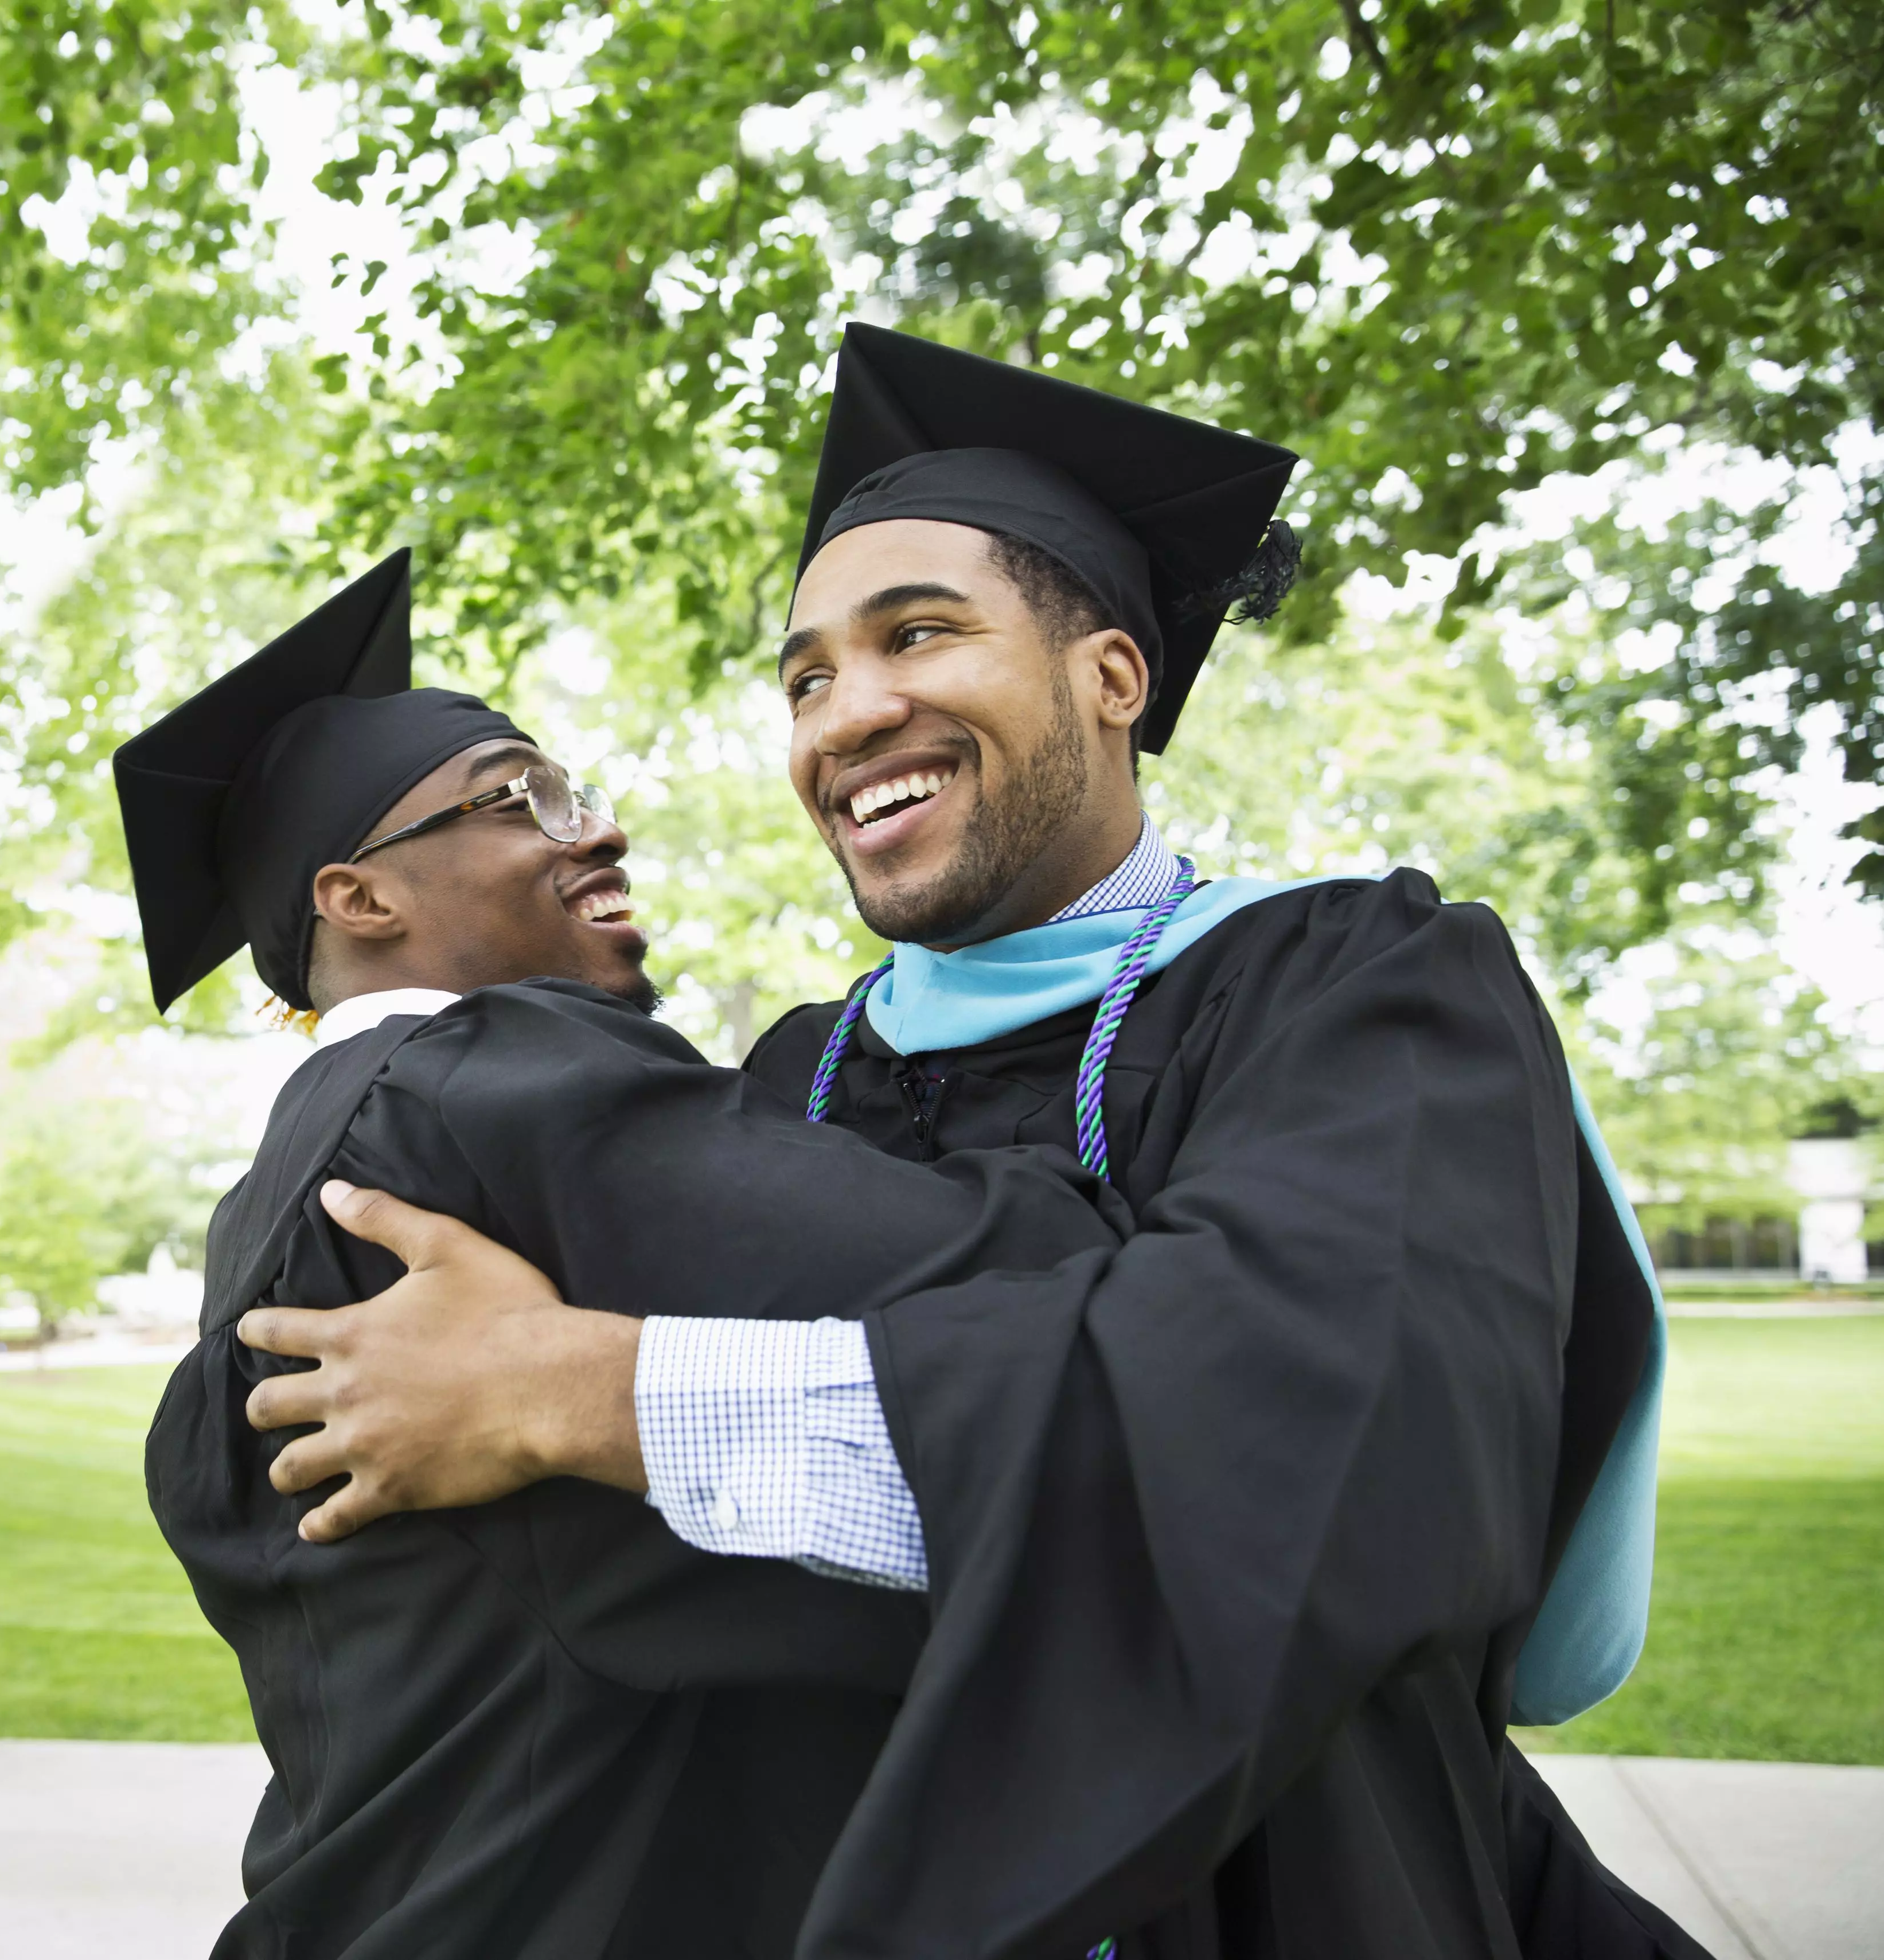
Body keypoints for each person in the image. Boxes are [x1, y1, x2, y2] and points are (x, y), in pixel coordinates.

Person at [232, 328, 1705, 1958]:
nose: (847, 713)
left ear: (1110, 676)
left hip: (1303, 1889)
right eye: (803, 678)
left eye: (915, 636)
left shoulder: (1360, 984)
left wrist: (576, 1388)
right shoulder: (798, 1076)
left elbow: (1317, 1444)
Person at [117, 550, 1134, 1958]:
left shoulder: (276, 1206)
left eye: (573, 791)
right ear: (359, 901)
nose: (591, 833)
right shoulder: (483, 1084)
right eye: (518, 799)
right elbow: (996, 1280)